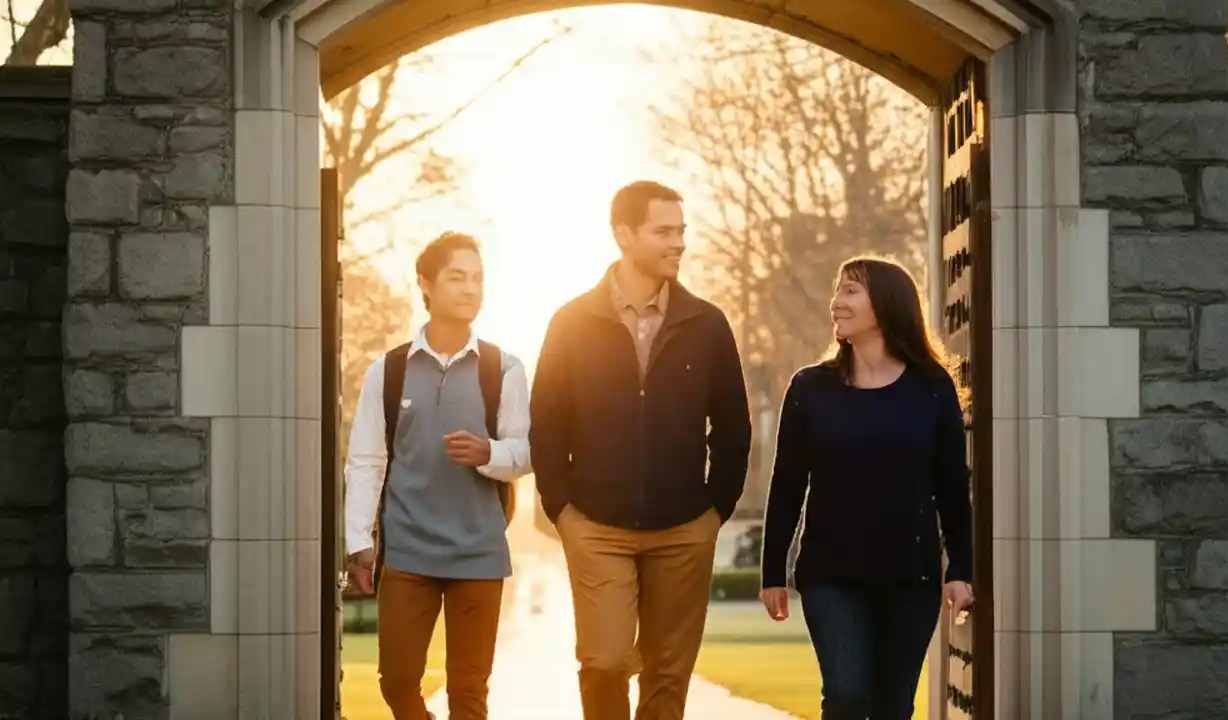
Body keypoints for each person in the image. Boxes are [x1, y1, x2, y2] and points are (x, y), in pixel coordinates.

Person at [530, 180, 753, 720]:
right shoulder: (571, 322)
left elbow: (732, 426)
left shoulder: (707, 324)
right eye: (663, 232)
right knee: (604, 661)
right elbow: (547, 424)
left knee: (667, 675)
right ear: (623, 234)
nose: (678, 243)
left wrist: (714, 511)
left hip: (684, 529)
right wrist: (563, 510)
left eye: (681, 231)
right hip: (596, 526)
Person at [758, 256, 976, 720]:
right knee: (847, 695)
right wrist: (772, 571)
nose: (836, 302)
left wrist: (960, 567)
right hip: (831, 575)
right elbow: (787, 484)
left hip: (910, 577)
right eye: (838, 290)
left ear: (887, 304)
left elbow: (953, 486)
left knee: (893, 707)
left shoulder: (932, 388)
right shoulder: (810, 388)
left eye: (850, 291)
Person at [343, 232, 531, 720]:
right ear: (426, 284)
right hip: (408, 552)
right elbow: (366, 460)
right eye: (457, 277)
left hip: (479, 554)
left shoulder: (503, 369)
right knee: (397, 685)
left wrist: (488, 452)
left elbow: (526, 452)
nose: (470, 289)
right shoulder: (388, 372)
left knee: (469, 695)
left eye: (478, 278)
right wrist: (359, 541)